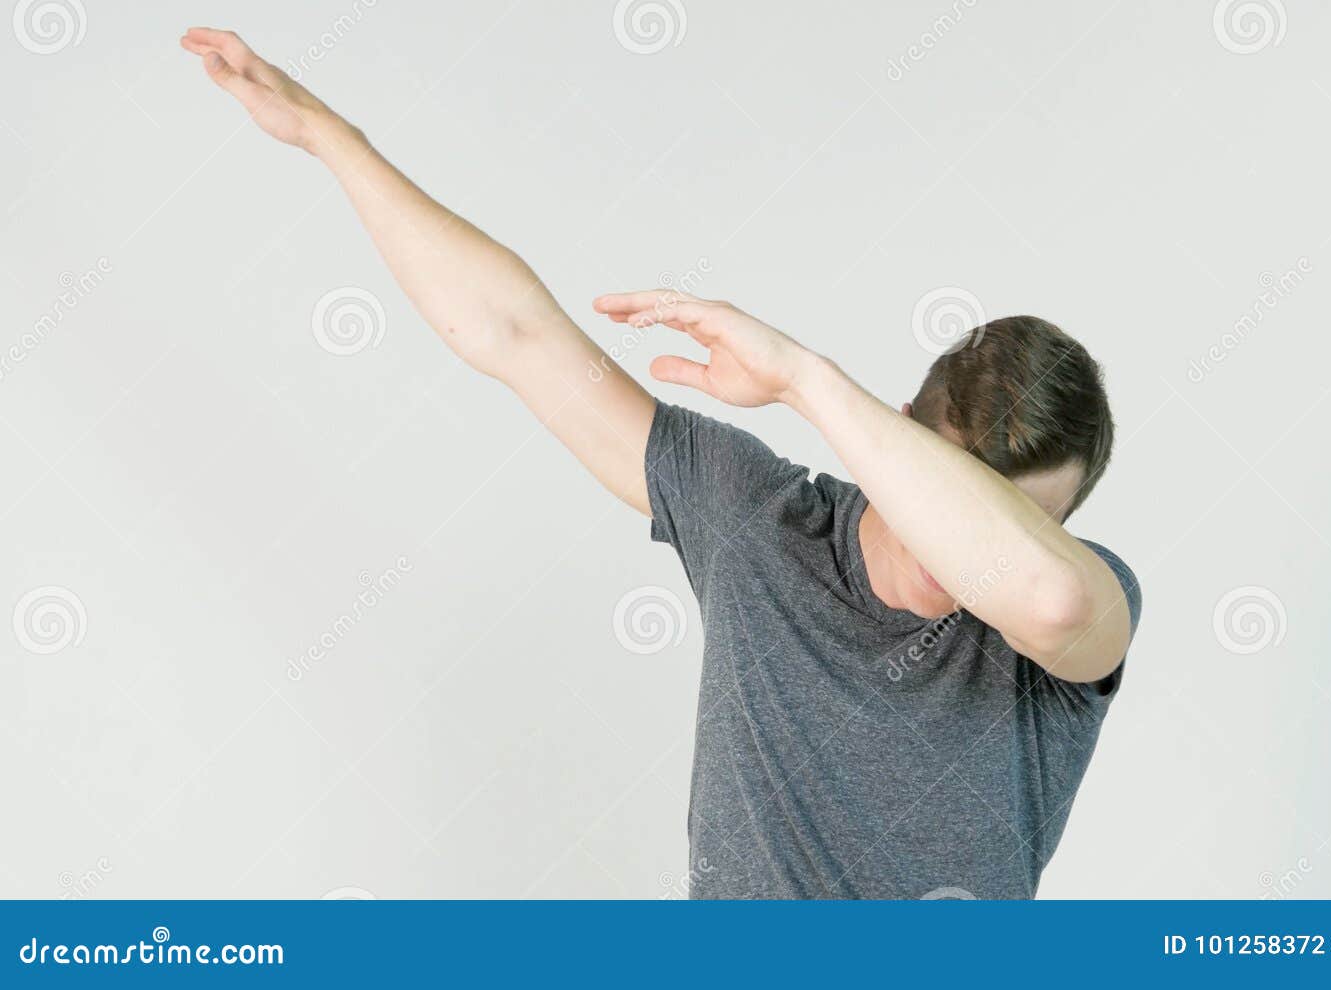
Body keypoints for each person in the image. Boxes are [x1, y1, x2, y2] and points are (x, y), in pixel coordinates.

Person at [180, 27, 1141, 899]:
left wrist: (805, 378)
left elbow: (1052, 602)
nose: (968, 554)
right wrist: (326, 136)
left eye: (1021, 522)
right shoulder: (757, 518)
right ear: (899, 433)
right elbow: (514, 334)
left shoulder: (1077, 620)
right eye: (958, 488)